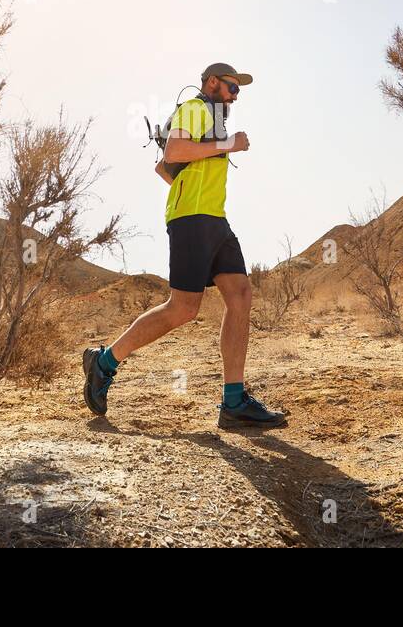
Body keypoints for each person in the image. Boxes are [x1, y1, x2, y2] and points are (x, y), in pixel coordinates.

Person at [81, 62, 287, 428]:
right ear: (211, 83)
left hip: (214, 218)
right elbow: (174, 151)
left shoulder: (212, 120)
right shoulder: (194, 109)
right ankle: (104, 362)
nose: (236, 96)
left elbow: (165, 169)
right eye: (231, 88)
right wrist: (232, 145)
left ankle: (234, 401)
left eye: (239, 91)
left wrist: (193, 175)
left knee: (240, 294)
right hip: (192, 219)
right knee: (183, 309)